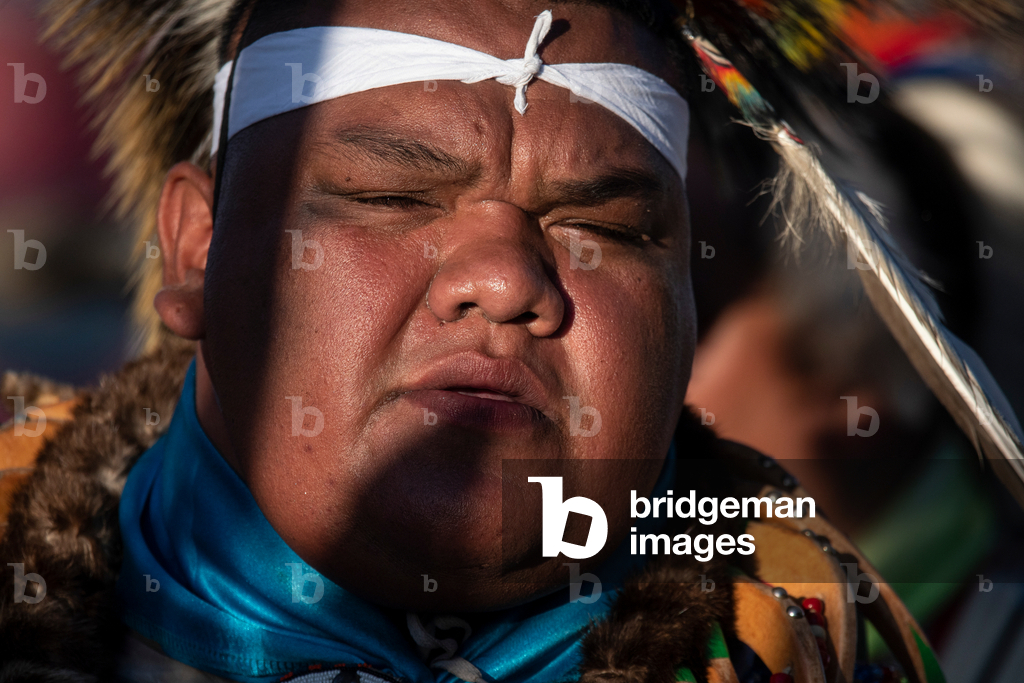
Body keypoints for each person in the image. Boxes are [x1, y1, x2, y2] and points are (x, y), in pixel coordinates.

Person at [2, 1, 1018, 682]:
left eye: (608, 231)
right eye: (390, 198)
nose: (505, 279)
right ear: (198, 249)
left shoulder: (821, 641)